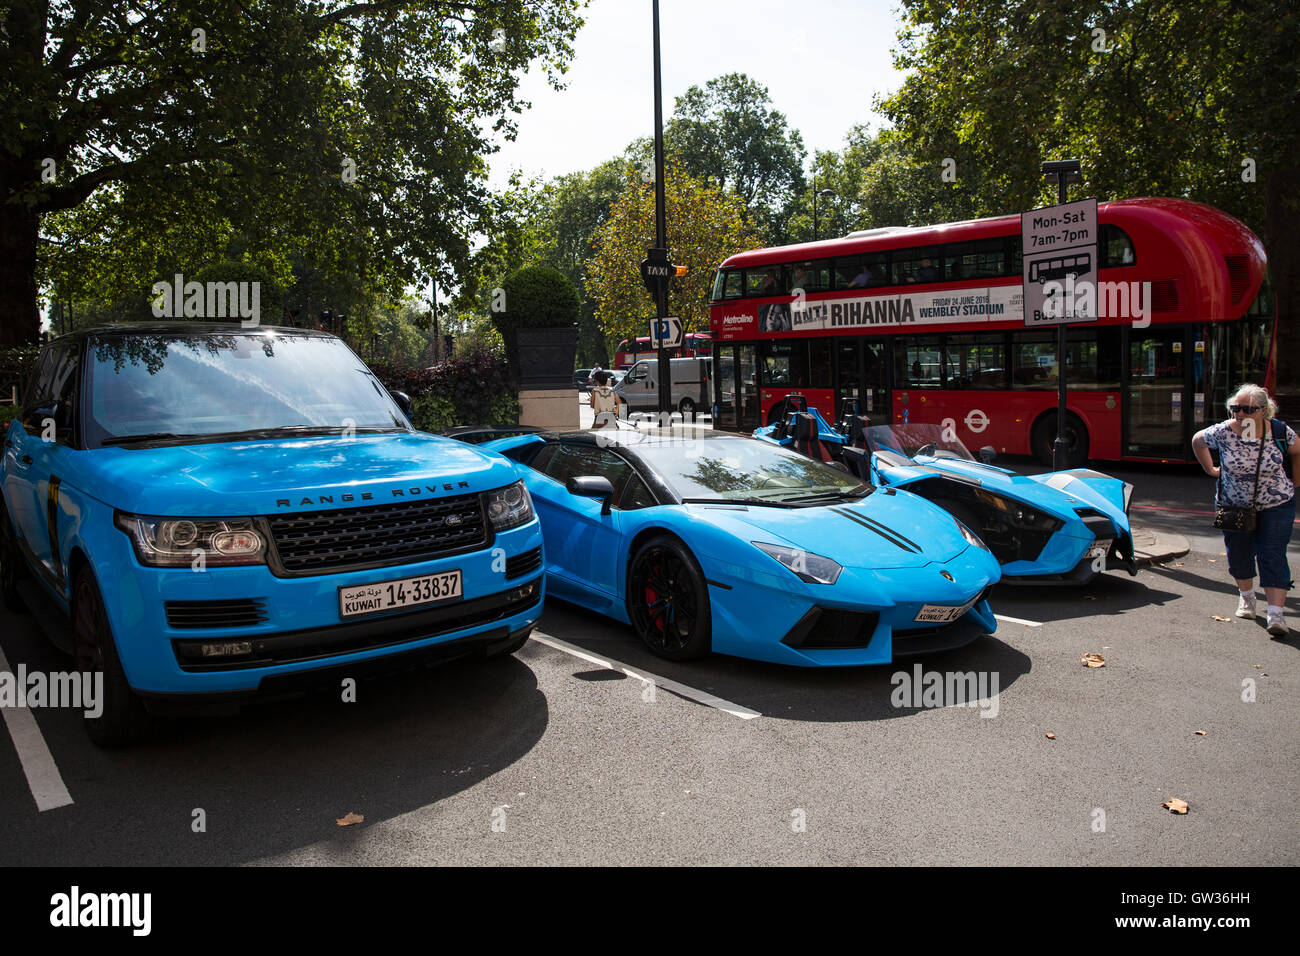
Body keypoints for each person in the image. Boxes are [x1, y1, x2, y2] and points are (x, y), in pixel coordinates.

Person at [1192, 383, 1300, 636]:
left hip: (1277, 505)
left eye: (1247, 409)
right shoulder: (1222, 432)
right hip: (1233, 506)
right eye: (1235, 408)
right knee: (1239, 554)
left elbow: (1297, 450)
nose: (1239, 414)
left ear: (1264, 411)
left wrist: (1296, 479)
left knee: (1272, 554)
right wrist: (1211, 469)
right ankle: (1247, 597)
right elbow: (1198, 440)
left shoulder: (1280, 431)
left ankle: (1276, 614)